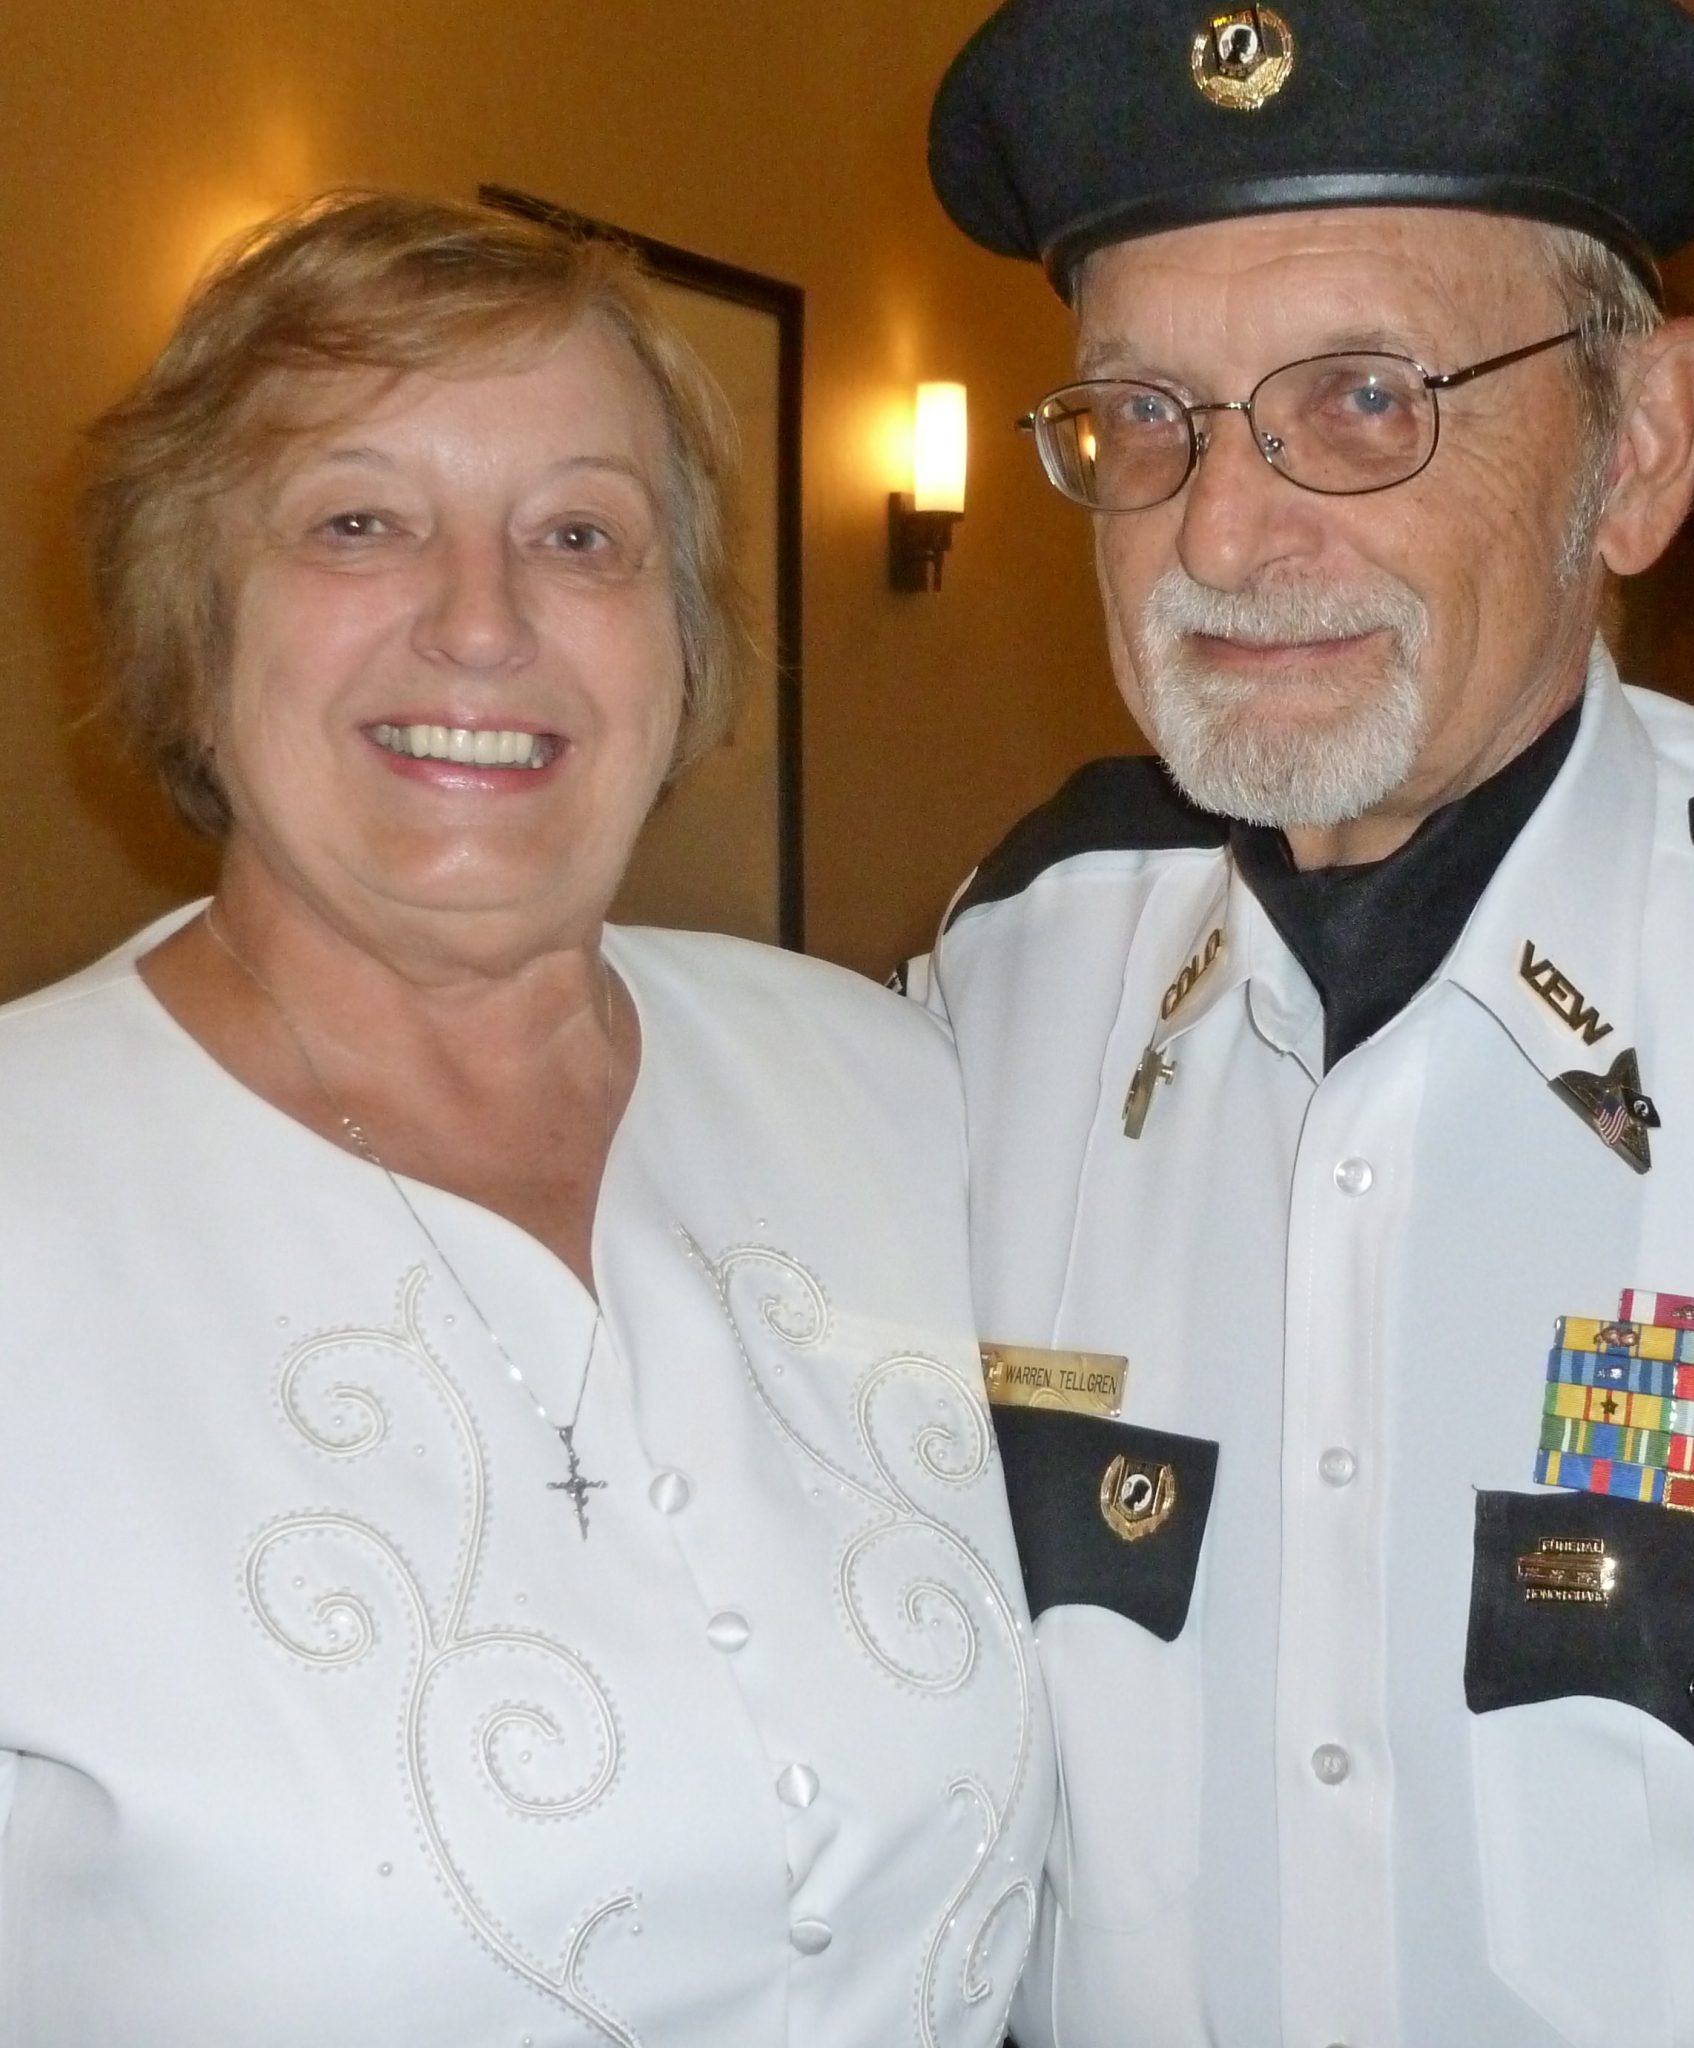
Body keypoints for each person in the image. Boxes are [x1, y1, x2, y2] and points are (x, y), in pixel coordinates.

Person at [912, 4, 1694, 2044]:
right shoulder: (1002, 985)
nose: (1226, 536)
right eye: (1146, 417)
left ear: (1638, 451)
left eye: (1363, 400)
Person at [0, 190, 1050, 2047]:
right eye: (359, 522)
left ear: (678, 645)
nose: (480, 621)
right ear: (195, 616)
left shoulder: (905, 1091)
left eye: (581, 533)